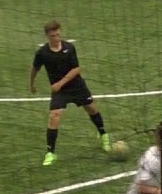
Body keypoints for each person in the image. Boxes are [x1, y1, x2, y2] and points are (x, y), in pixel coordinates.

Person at [29, 20, 111, 166]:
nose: (56, 38)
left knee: (91, 108)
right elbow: (35, 68)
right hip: (60, 92)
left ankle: (103, 134)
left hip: (76, 86)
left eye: (58, 34)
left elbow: (76, 69)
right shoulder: (42, 53)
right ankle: (50, 153)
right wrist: (32, 84)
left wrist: (59, 83)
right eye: (53, 36)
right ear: (47, 36)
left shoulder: (69, 48)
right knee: (54, 116)